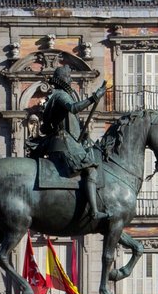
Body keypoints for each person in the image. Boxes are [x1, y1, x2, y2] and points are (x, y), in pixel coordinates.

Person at [26, 67, 106, 221]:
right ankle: (94, 212)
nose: (70, 80)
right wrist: (94, 98)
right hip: (63, 142)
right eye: (68, 77)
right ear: (62, 79)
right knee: (90, 169)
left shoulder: (57, 95)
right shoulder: (61, 95)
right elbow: (74, 108)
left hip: (65, 141)